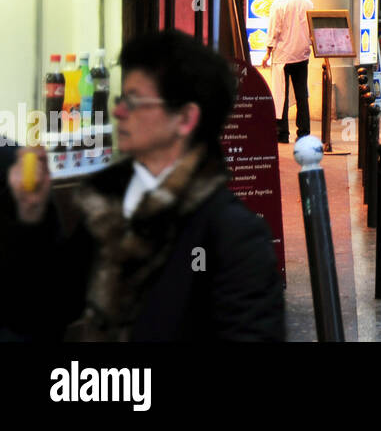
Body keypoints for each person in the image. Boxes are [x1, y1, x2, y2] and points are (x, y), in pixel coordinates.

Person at [5, 30, 284, 341]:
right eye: (121, 99)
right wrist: (31, 216)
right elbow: (39, 315)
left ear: (185, 118)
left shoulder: (231, 234)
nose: (118, 112)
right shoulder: (109, 205)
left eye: (134, 101)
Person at [263, 0, 314, 143]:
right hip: (302, 54)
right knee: (302, 94)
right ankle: (304, 132)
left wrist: (268, 52)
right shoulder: (307, 2)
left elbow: (274, 30)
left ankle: (282, 133)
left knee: (281, 95)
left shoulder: (279, 4)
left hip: (283, 55)